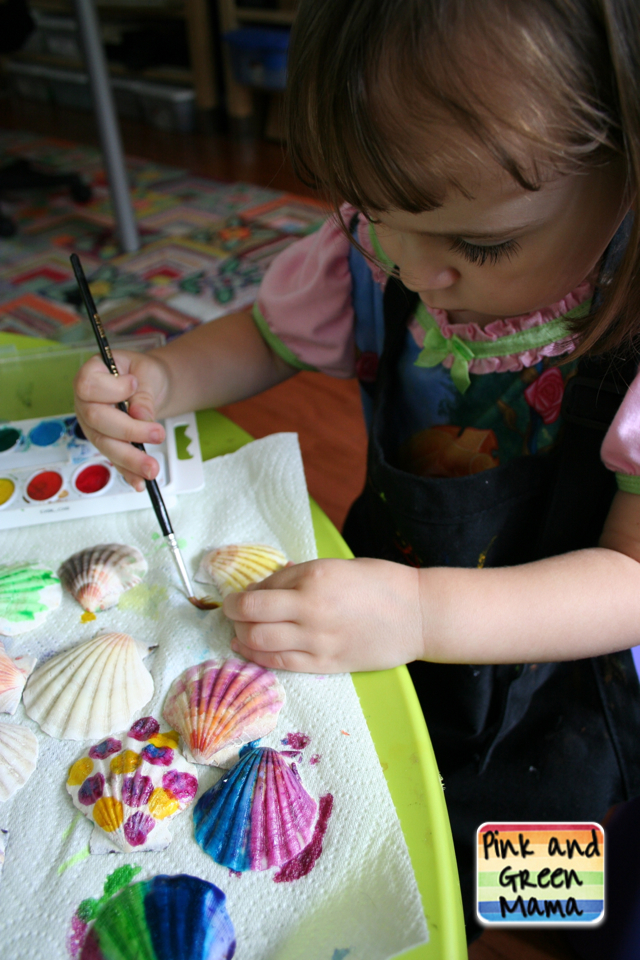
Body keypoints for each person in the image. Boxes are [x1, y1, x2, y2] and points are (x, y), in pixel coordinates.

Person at [75, 0, 640, 940]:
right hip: (376, 609)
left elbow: (631, 577)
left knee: (525, 890)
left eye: (480, 244)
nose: (412, 269)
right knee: (376, 832)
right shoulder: (385, 251)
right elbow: (265, 336)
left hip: (561, 687)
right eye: (373, 215)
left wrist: (421, 613)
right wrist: (165, 378)